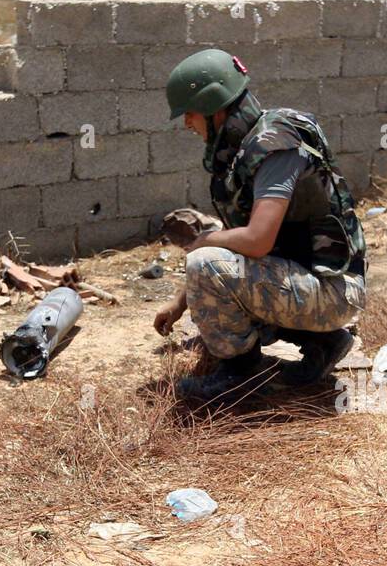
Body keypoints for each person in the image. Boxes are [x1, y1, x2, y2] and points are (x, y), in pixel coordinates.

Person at [153, 48, 366, 400]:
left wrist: (206, 240)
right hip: (310, 279)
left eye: (189, 113)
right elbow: (240, 254)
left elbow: (257, 241)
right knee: (214, 270)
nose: (186, 123)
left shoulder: (274, 145)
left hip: (334, 291)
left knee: (206, 264)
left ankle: (241, 376)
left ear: (213, 108)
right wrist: (179, 303)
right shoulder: (244, 149)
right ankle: (324, 342)